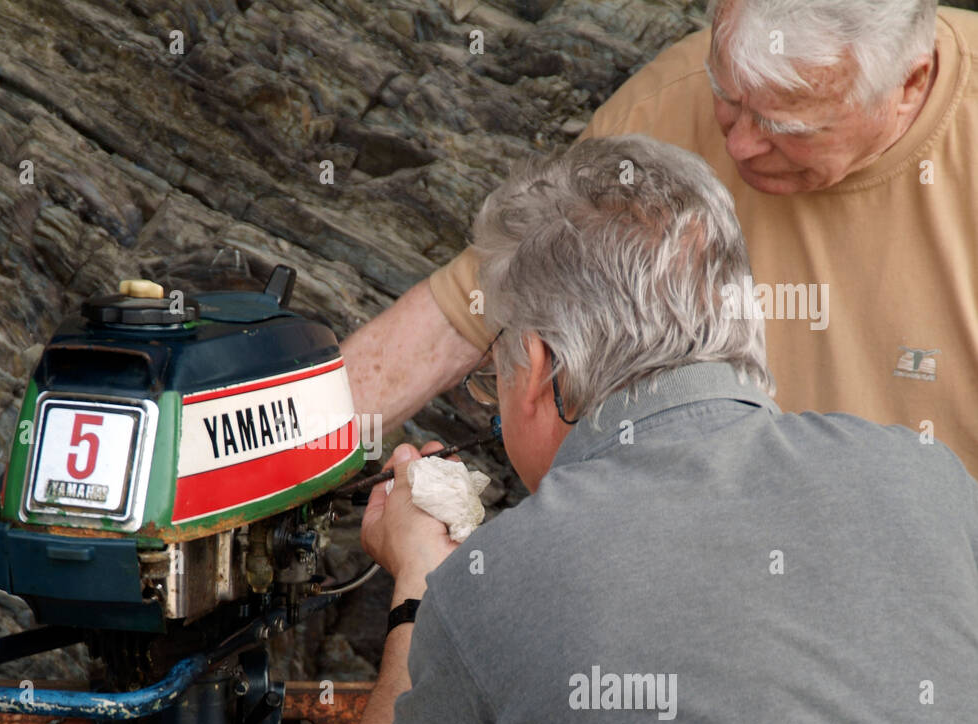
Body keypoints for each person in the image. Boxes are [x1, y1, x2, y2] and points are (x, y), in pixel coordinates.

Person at [351, 134, 978, 724]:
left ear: (548, 369)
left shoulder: (502, 576)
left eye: (496, 376)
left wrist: (419, 586)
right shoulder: (927, 476)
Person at [342, 0, 978, 475]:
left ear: (910, 84)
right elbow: (473, 305)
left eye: (784, 124)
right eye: (727, 95)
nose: (738, 144)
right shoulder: (667, 105)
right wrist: (283, 449)